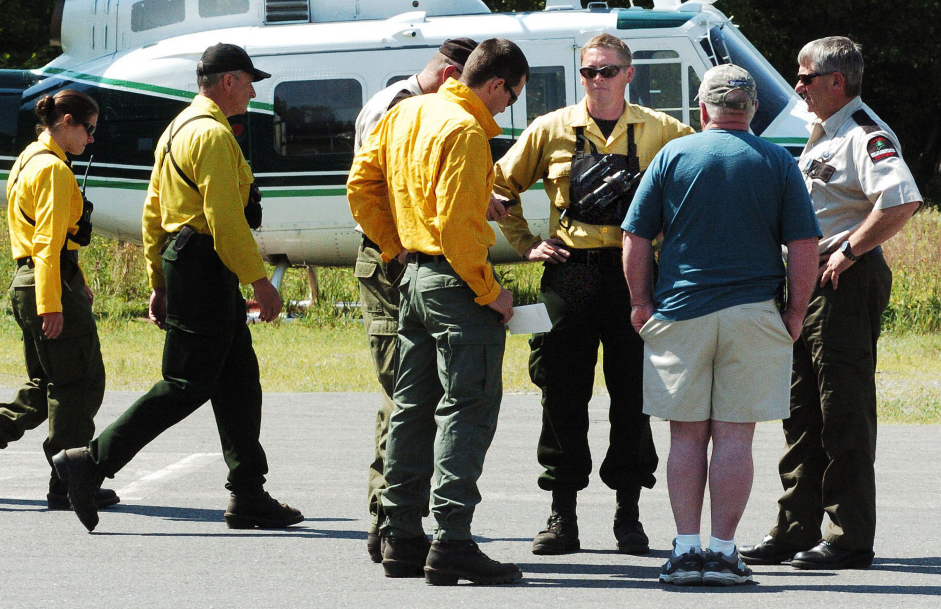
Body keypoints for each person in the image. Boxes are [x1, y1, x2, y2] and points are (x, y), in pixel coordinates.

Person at [52, 43, 302, 533]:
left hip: (191, 264)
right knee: (187, 382)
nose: (253, 91)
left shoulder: (177, 129)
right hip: (205, 265)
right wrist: (259, 279)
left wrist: (159, 280)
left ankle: (248, 492)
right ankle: (90, 461)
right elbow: (225, 219)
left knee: (237, 380)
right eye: (249, 81)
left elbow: (153, 213)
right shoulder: (209, 134)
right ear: (227, 81)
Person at [492, 33, 693, 556]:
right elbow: (497, 189)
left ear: (630, 74)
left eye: (607, 71)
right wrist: (526, 244)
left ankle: (630, 513)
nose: (597, 80)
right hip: (570, 273)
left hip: (634, 276)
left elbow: (699, 187)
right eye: (588, 72)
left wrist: (675, 257)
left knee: (634, 394)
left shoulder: (665, 131)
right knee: (561, 392)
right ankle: (562, 514)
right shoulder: (550, 129)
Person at [621, 64, 821, 586]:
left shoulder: (672, 155)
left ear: (703, 109)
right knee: (736, 437)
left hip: (680, 310)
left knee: (686, 438)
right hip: (754, 311)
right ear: (752, 108)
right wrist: (796, 312)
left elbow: (636, 237)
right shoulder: (778, 160)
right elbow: (804, 245)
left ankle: (686, 550)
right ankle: (725, 551)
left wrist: (640, 302)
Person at [347, 38, 528, 585]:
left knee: (411, 405)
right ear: (495, 83)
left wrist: (392, 245)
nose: (507, 108)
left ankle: (401, 534)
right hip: (453, 283)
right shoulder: (467, 131)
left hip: (413, 278)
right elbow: (456, 228)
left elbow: (361, 185)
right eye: (511, 96)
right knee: (466, 408)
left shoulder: (407, 112)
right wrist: (489, 289)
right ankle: (452, 540)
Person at [740, 37, 922, 570]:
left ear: (835, 82)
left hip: (843, 283)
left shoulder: (865, 135)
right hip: (807, 284)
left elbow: (903, 199)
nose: (797, 86)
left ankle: (848, 537)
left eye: (805, 77)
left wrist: (849, 250)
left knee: (842, 411)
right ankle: (796, 527)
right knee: (801, 412)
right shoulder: (824, 134)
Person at [0, 90, 119, 511]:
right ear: (65, 122)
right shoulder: (53, 171)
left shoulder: (29, 158)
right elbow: (47, 241)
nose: (92, 139)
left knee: (47, 381)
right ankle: (68, 479)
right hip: (45, 281)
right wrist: (54, 303)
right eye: (89, 129)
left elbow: (50, 240)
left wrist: (72, 281)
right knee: (77, 384)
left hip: (33, 279)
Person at [351, 38, 478, 564]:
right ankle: (390, 523)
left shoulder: (405, 102)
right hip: (395, 257)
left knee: (410, 393)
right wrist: (396, 250)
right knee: (404, 393)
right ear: (451, 73)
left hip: (400, 252)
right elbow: (365, 188)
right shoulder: (401, 108)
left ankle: (397, 524)